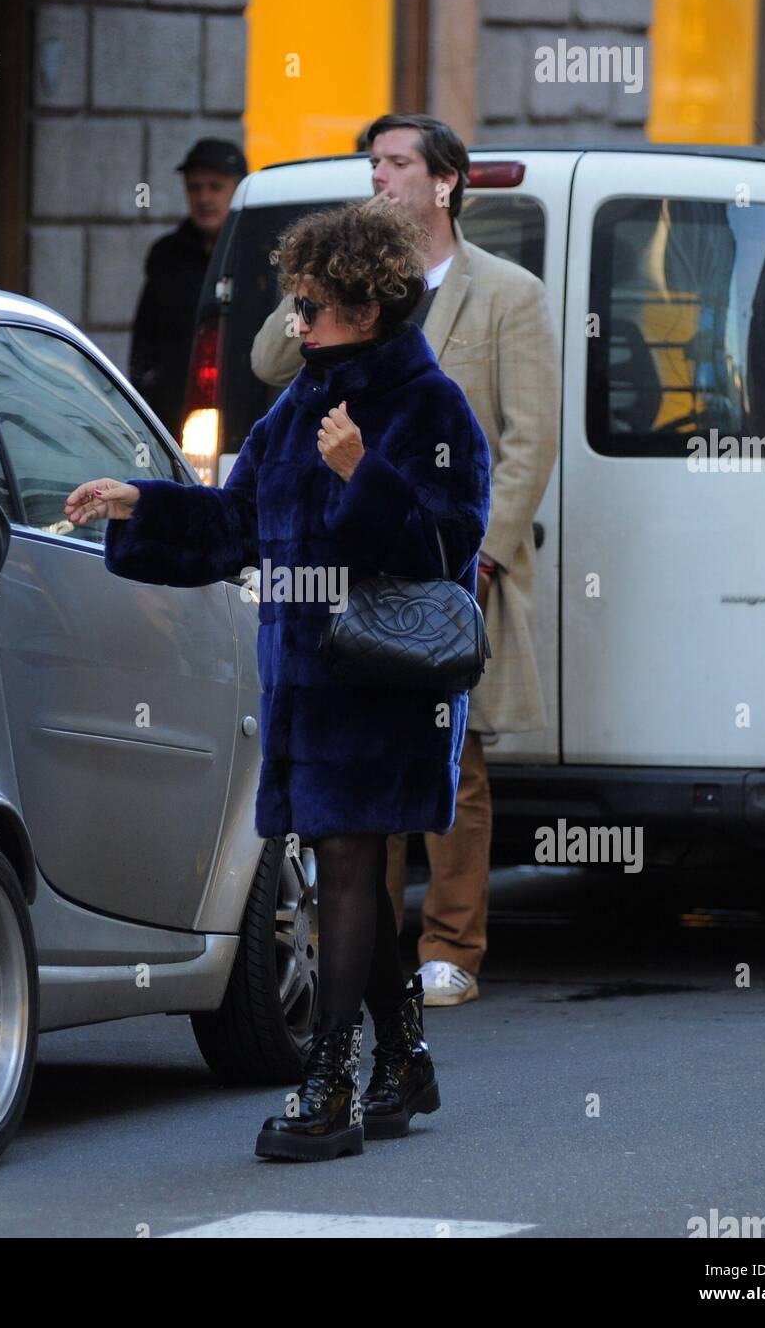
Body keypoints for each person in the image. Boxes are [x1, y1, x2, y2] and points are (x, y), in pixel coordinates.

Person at [64, 200, 490, 1162]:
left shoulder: (430, 407)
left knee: (343, 865)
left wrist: (363, 474)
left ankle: (329, 1080)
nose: (296, 322)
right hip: (302, 679)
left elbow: (448, 548)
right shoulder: (296, 405)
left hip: (386, 682)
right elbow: (232, 528)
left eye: (313, 306)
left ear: (369, 307)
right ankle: (404, 1060)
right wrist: (137, 502)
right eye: (295, 302)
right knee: (351, 877)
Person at [250, 112, 560, 1010]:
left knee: (449, 764)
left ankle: (451, 946)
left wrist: (485, 553)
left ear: (445, 182)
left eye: (396, 163)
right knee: (360, 771)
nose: (379, 175)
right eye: (372, 163)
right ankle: (372, 951)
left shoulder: (505, 292)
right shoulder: (343, 291)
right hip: (345, 568)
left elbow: (527, 440)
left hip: (445, 560)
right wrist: (311, 289)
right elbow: (272, 359)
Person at [128, 137, 246, 439]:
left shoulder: (259, 252)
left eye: (215, 187)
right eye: (195, 187)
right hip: (173, 418)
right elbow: (145, 338)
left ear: (239, 189)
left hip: (245, 414)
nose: (204, 197)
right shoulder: (166, 254)